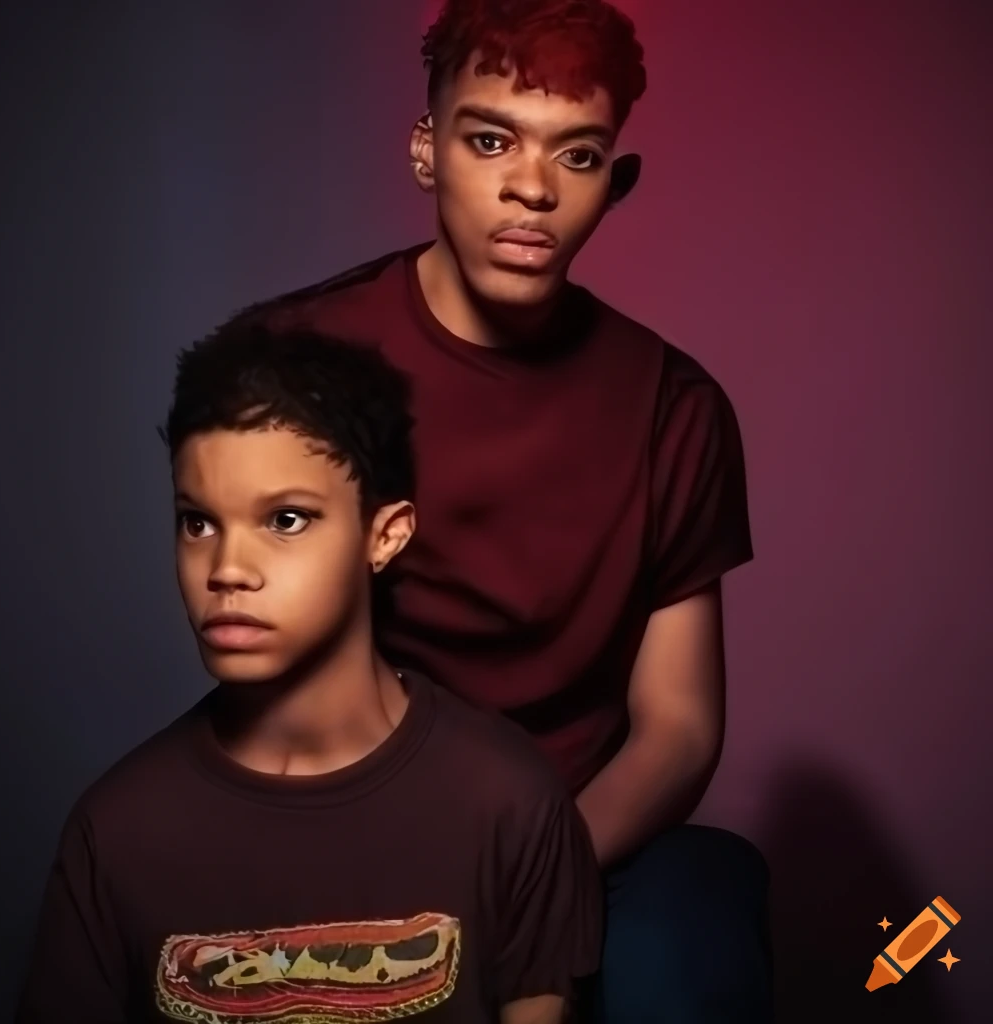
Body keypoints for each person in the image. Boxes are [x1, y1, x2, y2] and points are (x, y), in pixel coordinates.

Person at [233, 0, 772, 1019]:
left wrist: (530, 873)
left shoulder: (677, 407)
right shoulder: (292, 363)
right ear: (426, 149)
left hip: (586, 834)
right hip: (356, 821)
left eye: (576, 156)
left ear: (614, 181)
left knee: (700, 925)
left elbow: (678, 725)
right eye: (490, 140)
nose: (530, 189)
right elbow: (263, 657)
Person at [16, 325, 603, 1024]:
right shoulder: (115, 831)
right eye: (198, 523)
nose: (228, 569)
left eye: (286, 519)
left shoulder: (509, 805)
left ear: (384, 536)